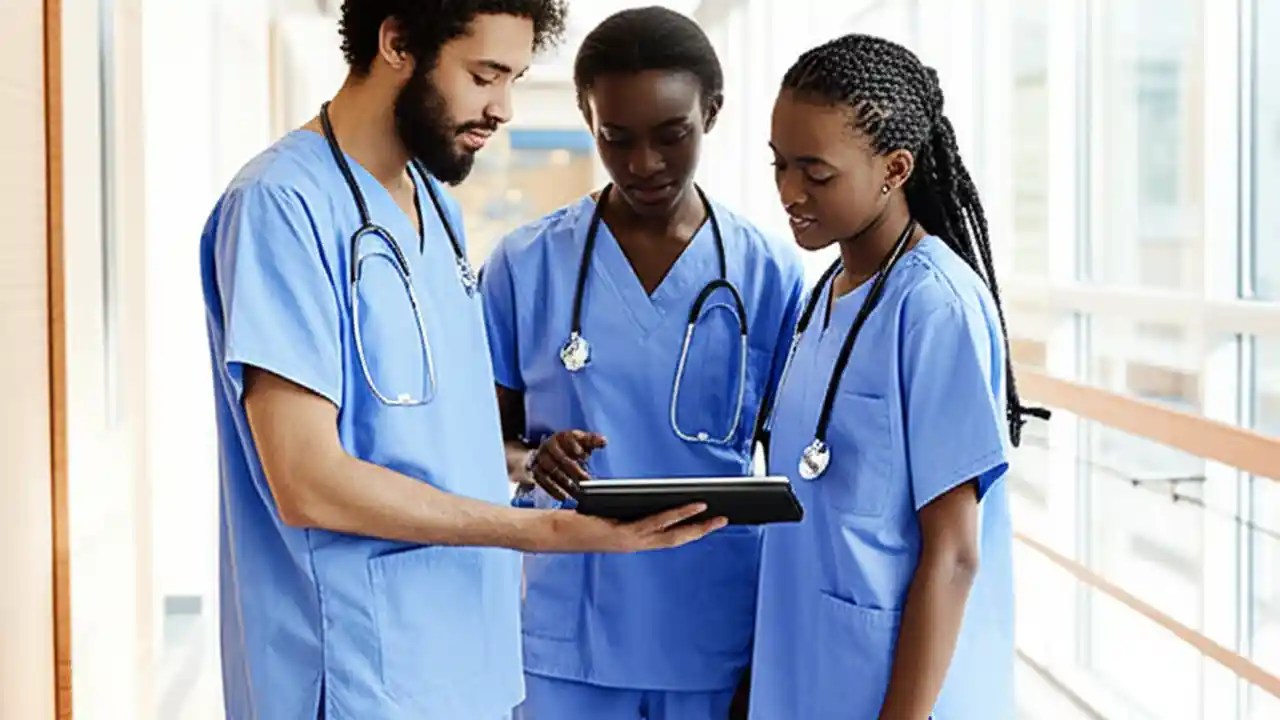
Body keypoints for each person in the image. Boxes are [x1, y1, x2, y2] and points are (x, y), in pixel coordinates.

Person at [198, 3, 730, 718]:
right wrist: (544, 531)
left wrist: (533, 465)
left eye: (513, 78)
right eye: (484, 76)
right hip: (358, 670)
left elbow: (425, 436)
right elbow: (306, 481)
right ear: (396, 41)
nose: (502, 108)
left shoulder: (435, 210)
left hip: (466, 662)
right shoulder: (281, 206)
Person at [478, 7, 806, 720]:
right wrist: (534, 460)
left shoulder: (769, 274)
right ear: (586, 119)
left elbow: (791, 468)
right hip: (568, 634)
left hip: (711, 623)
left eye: (671, 135)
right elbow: (484, 444)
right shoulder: (525, 266)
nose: (644, 164)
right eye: (615, 139)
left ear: (711, 113)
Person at [749, 34, 1049, 719]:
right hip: (808, 671)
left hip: (898, 693)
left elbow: (954, 554)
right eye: (780, 165)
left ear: (894, 168)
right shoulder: (822, 296)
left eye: (816, 173)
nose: (790, 192)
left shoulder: (935, 305)